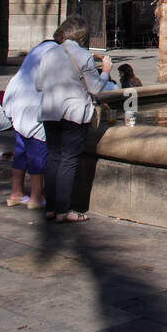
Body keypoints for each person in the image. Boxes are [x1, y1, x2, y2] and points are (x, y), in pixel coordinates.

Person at [35, 15, 113, 223]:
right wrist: (105, 72)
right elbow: (95, 88)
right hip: (73, 112)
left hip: (50, 111)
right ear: (82, 35)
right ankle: (64, 210)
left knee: (53, 157)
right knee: (69, 160)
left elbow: (39, 85)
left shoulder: (49, 54)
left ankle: (51, 207)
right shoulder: (84, 56)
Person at [4, 37, 56, 209]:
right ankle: (36, 196)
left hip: (17, 105)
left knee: (21, 152)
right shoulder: (53, 54)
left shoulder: (29, 63)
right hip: (33, 109)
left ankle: (16, 192)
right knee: (37, 153)